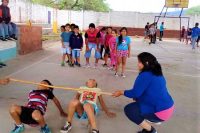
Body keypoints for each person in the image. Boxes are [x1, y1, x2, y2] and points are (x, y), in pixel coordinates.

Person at [113, 52, 174, 133]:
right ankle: (153, 119)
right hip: (168, 107)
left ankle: (151, 130)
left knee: (129, 110)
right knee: (136, 100)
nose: (138, 64)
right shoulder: (157, 72)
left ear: (146, 63)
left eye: (139, 62)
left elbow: (135, 93)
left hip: (160, 112)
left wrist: (121, 92)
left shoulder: (145, 75)